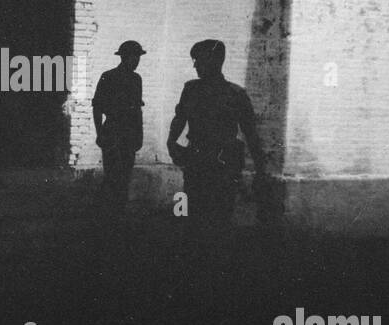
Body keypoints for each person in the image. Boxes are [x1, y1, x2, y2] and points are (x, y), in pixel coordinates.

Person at [166, 39, 268, 235]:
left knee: (219, 218)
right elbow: (180, 118)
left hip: (223, 164)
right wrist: (171, 143)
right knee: (194, 216)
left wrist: (260, 171)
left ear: (213, 61)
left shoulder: (235, 94)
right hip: (199, 161)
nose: (195, 65)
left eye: (198, 60)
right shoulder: (192, 89)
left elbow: (250, 133)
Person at [92, 40, 146, 213]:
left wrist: (139, 134)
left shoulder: (137, 79)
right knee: (113, 177)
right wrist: (100, 132)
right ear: (125, 57)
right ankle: (106, 214)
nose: (137, 61)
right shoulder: (108, 76)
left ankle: (116, 214)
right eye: (134, 57)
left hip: (129, 133)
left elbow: (137, 109)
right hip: (113, 131)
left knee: (124, 177)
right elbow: (97, 107)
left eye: (138, 57)